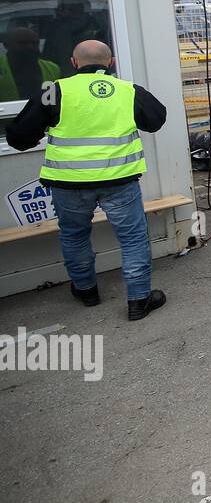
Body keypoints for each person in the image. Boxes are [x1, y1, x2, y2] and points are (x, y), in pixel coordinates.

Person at [4, 40, 168, 320]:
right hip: (119, 180)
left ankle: (86, 289)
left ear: (73, 63)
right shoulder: (128, 90)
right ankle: (139, 300)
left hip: (69, 183)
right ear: (112, 63)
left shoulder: (53, 90)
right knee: (132, 239)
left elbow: (19, 137)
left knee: (74, 235)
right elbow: (156, 120)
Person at [0, 27, 61, 102]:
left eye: (34, 43)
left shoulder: (52, 68)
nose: (30, 47)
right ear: (6, 45)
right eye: (22, 43)